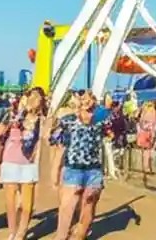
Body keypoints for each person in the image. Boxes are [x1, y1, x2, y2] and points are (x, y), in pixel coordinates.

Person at [51, 90, 108, 240]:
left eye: (90, 98)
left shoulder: (100, 119)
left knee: (88, 208)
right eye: (83, 98)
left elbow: (111, 115)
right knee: (67, 209)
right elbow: (59, 145)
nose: (86, 101)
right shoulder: (68, 120)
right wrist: (55, 171)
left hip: (94, 170)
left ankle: (79, 236)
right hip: (73, 169)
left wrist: (97, 106)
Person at [0, 89, 45, 240]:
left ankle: (22, 231)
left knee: (26, 204)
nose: (33, 101)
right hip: (10, 159)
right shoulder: (13, 115)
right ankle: (13, 231)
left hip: (29, 163)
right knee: (10, 201)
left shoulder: (42, 119)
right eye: (31, 97)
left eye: (37, 99)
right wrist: (11, 122)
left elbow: (47, 137)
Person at [136, 101, 156, 175]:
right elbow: (152, 125)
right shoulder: (151, 112)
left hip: (144, 133)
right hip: (147, 133)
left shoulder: (144, 112)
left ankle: (146, 167)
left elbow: (141, 123)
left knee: (146, 151)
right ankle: (146, 168)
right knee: (147, 151)